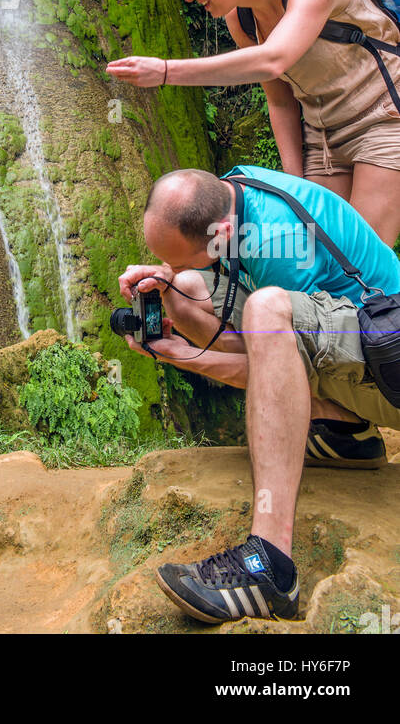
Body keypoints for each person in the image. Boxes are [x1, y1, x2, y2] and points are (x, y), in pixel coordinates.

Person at [118, 164, 400, 625]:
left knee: (267, 307)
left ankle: (270, 567)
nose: (181, 267)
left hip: (392, 369)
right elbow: (265, 344)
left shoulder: (277, 244)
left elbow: (278, 358)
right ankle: (347, 434)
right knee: (191, 290)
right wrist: (172, 286)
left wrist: (186, 357)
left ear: (220, 232)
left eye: (186, 256)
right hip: (358, 346)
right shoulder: (235, 191)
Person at [106, 0, 400, 245]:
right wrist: (296, 186)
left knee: (362, 259)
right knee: (319, 254)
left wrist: (167, 72)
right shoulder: (241, 19)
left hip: (383, 120)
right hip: (323, 137)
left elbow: (274, 58)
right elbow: (279, 101)